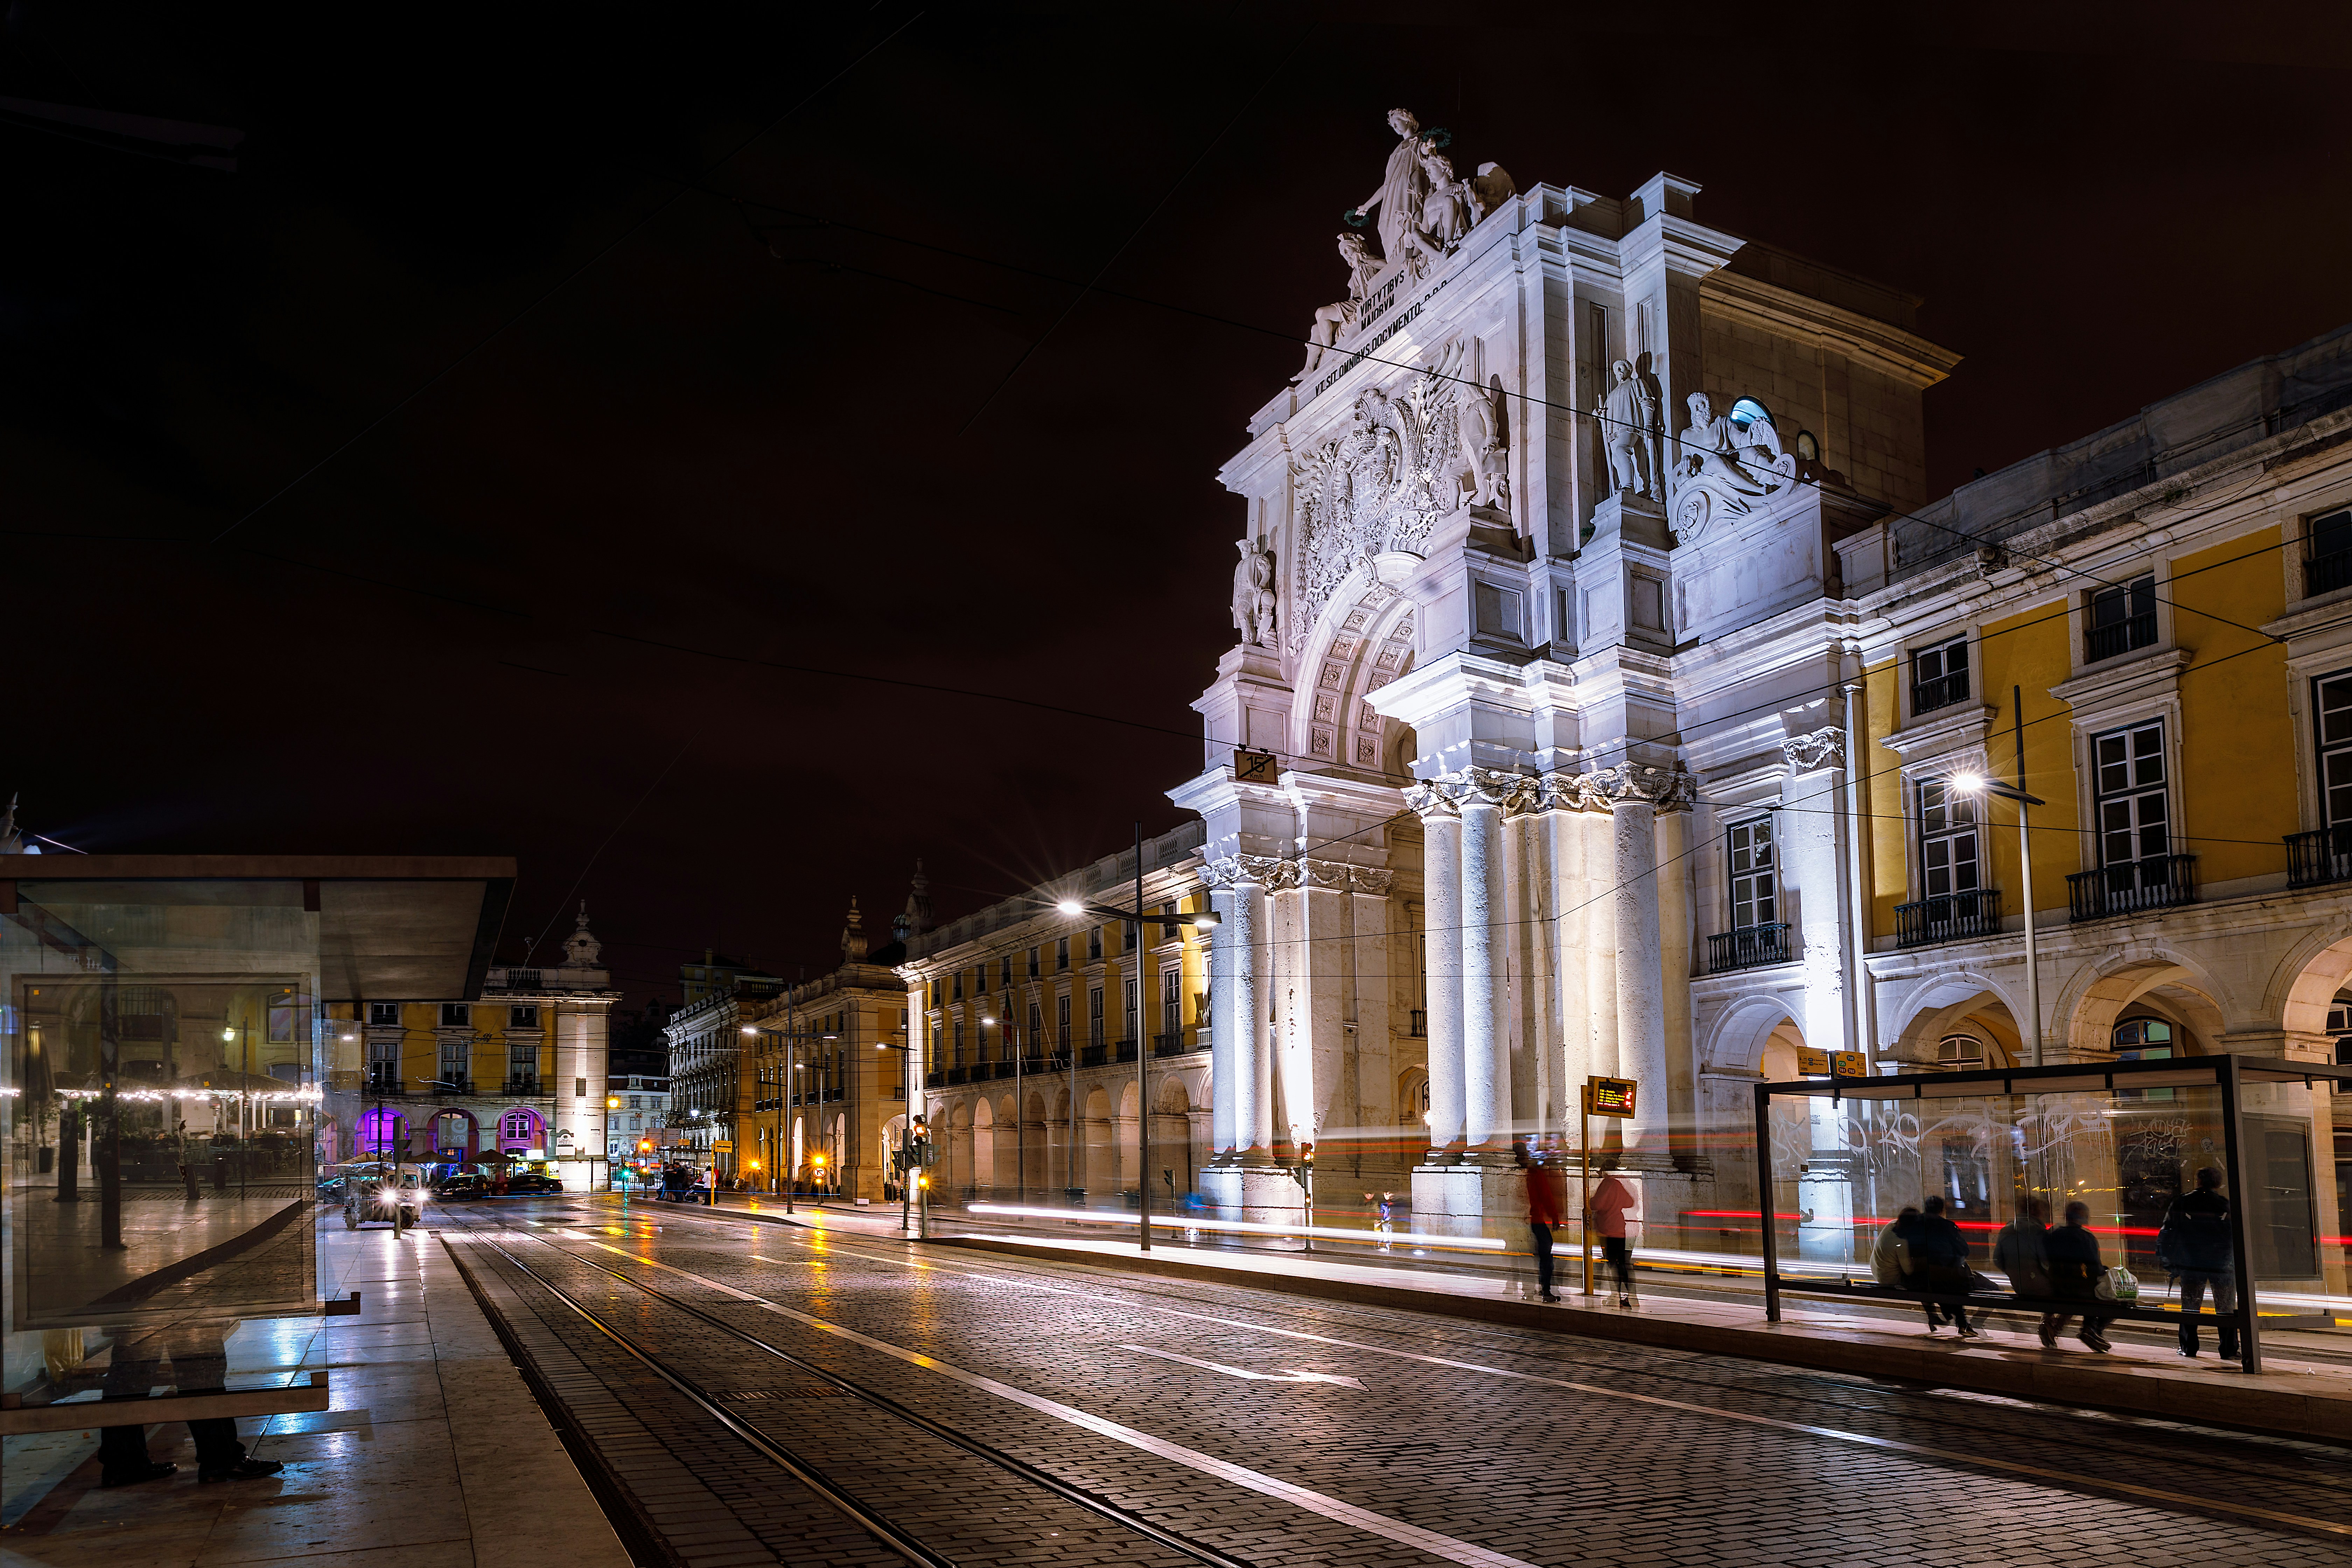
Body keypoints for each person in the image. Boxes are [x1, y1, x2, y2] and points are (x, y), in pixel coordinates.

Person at [96, 1320, 285, 1486]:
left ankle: (122, 1463)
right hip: (178, 1300)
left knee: (131, 1374)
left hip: (133, 1300)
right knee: (199, 1366)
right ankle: (220, 1459)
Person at [2159, 1166, 2240, 1360]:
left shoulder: (2182, 1202)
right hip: (2222, 1266)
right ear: (2218, 1184)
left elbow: (2168, 1232)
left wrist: (2169, 1262)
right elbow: (2234, 1236)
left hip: (2192, 1263)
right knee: (2225, 1309)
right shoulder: (2225, 1205)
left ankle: (2188, 1347)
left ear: (2198, 1181)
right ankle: (2229, 1350)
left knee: (2190, 1306)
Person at [1899, 1196, 1979, 1337]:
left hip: (1920, 1273)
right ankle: (1961, 1322)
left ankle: (1952, 1314)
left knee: (1948, 1282)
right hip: (1942, 1273)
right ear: (1942, 1210)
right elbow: (1964, 1250)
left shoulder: (1914, 1224)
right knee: (1961, 1282)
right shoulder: (1946, 1226)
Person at [2045, 1200, 2115, 1352]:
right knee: (2113, 1299)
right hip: (2077, 1290)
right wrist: (2105, 1272)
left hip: (2056, 1286)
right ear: (2084, 1218)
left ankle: (2059, 1329)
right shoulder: (2086, 1238)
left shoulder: (2054, 1234)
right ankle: (2093, 1329)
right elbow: (2095, 1267)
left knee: (2080, 1293)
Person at [1994, 1198, 2059, 1346]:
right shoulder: (2038, 1232)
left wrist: (2014, 1271)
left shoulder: (2006, 1230)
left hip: (2018, 1285)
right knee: (2067, 1292)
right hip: (2039, 1288)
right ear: (2036, 1212)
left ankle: (2047, 1323)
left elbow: (1997, 1260)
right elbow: (2047, 1263)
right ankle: (2050, 1326)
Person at [1589, 1169, 1639, 1307]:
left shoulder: (1608, 1184)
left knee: (1612, 1264)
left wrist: (1592, 1200)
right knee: (1623, 1263)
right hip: (1621, 1229)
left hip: (1608, 1230)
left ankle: (1616, 1296)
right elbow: (1629, 1202)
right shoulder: (1623, 1183)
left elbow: (1596, 1205)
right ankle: (1632, 1297)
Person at [1522, 1148, 1566, 1303]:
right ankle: (1546, 1291)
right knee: (1546, 1257)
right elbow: (1546, 1197)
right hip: (1537, 1221)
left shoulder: (1525, 1174)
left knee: (1525, 1257)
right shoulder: (1536, 1176)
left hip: (1523, 1221)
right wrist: (1555, 1218)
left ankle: (1527, 1290)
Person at [1870, 1207, 1917, 1287]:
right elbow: (1909, 1271)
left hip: (1877, 1271)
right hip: (1890, 1280)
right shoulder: (1901, 1243)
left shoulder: (1891, 1225)